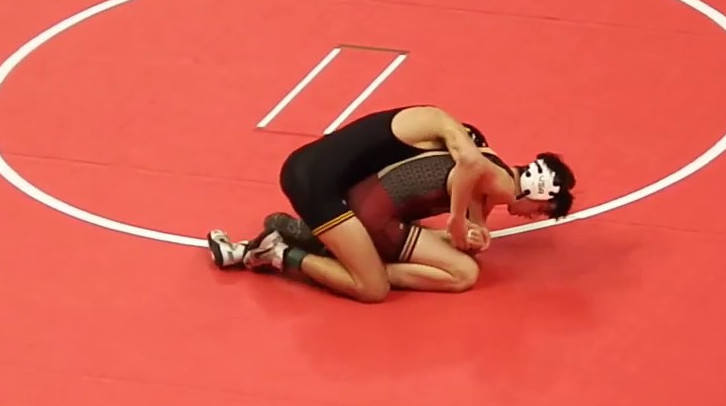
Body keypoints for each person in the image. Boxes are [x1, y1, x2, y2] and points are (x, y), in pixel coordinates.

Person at [207, 105, 576, 303]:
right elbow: (470, 165)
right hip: (319, 185)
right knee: (372, 288)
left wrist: (470, 229)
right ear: (540, 196)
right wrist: (457, 224)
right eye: (542, 211)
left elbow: (471, 174)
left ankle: (321, 242)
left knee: (461, 264)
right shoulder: (476, 161)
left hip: (338, 181)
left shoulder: (466, 152)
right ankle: (281, 253)